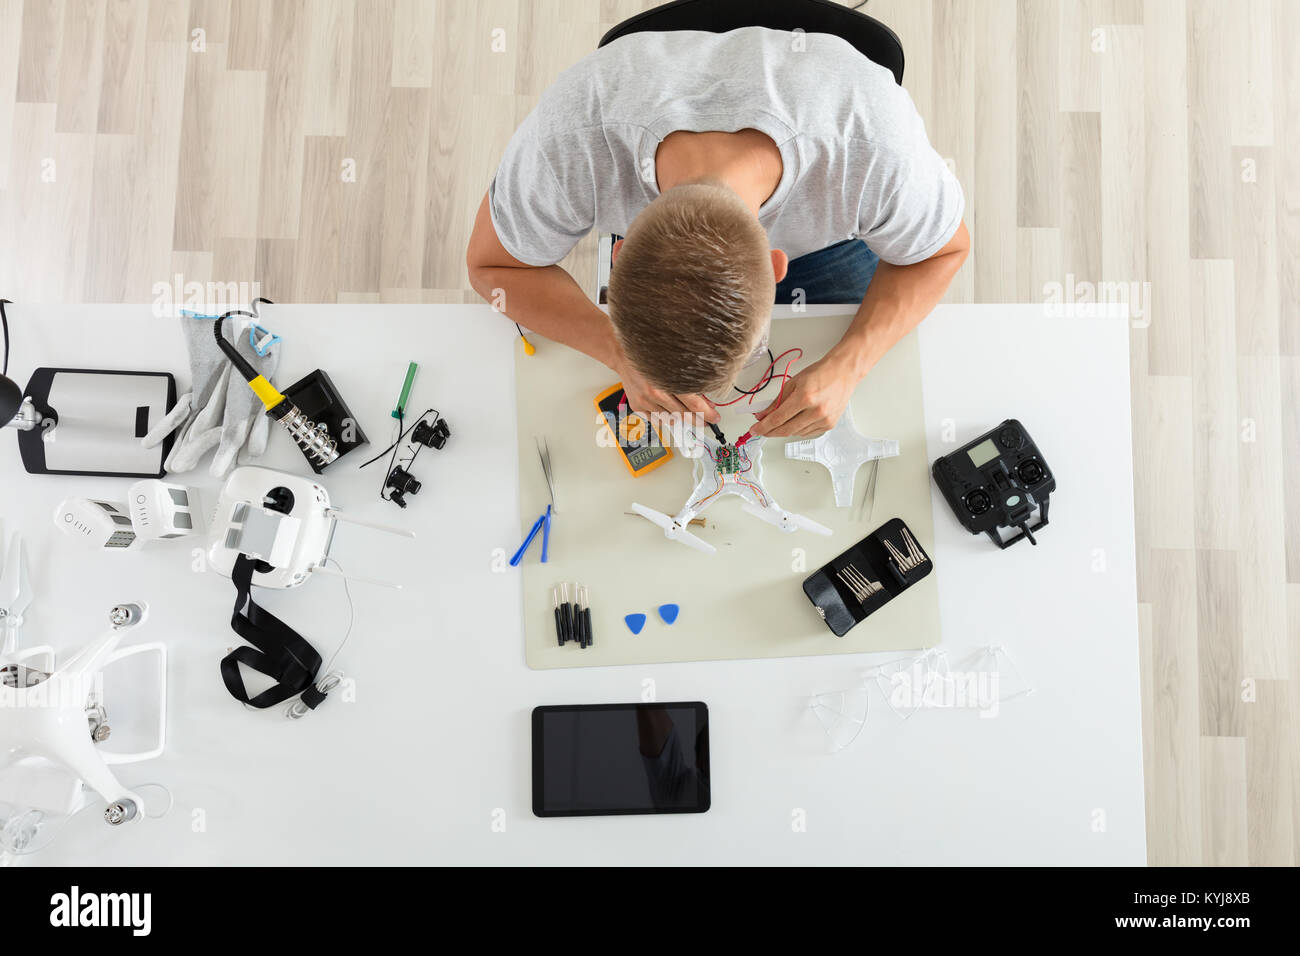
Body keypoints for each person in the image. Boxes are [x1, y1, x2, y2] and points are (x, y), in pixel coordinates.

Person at [467, 26, 968, 438]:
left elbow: (943, 252)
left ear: (778, 266)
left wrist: (850, 365)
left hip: (837, 239)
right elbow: (491, 268)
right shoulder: (569, 143)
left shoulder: (875, 153)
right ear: (620, 257)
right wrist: (615, 350)